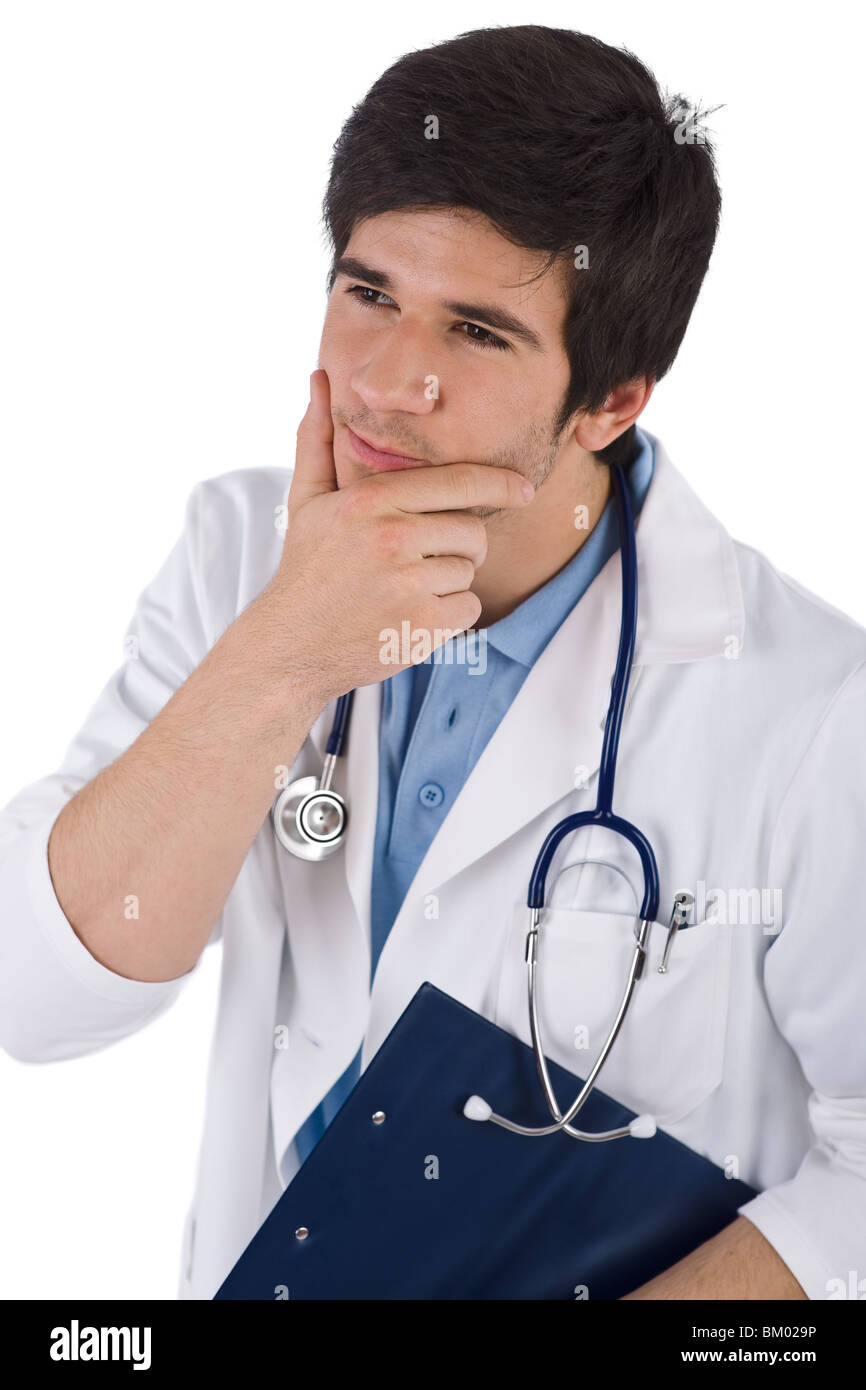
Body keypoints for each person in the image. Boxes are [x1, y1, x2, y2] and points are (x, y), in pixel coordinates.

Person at [1, 25, 864, 1302]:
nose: (387, 382)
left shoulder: (808, 706)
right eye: (368, 295)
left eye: (476, 332)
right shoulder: (241, 555)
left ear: (610, 399)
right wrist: (284, 652)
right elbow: (40, 998)